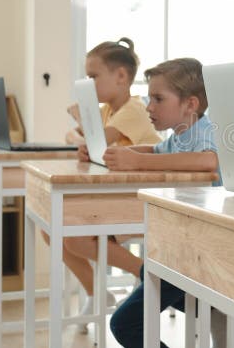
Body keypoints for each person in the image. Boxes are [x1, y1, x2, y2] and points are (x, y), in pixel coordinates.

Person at [108, 58, 226, 348]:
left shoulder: (206, 132)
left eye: (158, 99)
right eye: (150, 98)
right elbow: (154, 149)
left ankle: (215, 308)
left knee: (124, 323)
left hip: (194, 251)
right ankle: (213, 310)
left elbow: (209, 160)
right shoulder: (178, 137)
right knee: (133, 316)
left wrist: (139, 160)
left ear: (190, 105)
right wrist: (111, 153)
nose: (149, 106)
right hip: (175, 248)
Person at [49, 37, 163, 333]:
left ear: (121, 76)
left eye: (93, 76)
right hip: (117, 195)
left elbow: (93, 140)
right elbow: (72, 138)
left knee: (73, 235)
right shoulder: (106, 112)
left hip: (146, 199)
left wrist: (82, 126)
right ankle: (97, 292)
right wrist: (83, 134)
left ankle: (145, 272)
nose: (88, 84)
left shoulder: (134, 110)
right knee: (50, 227)